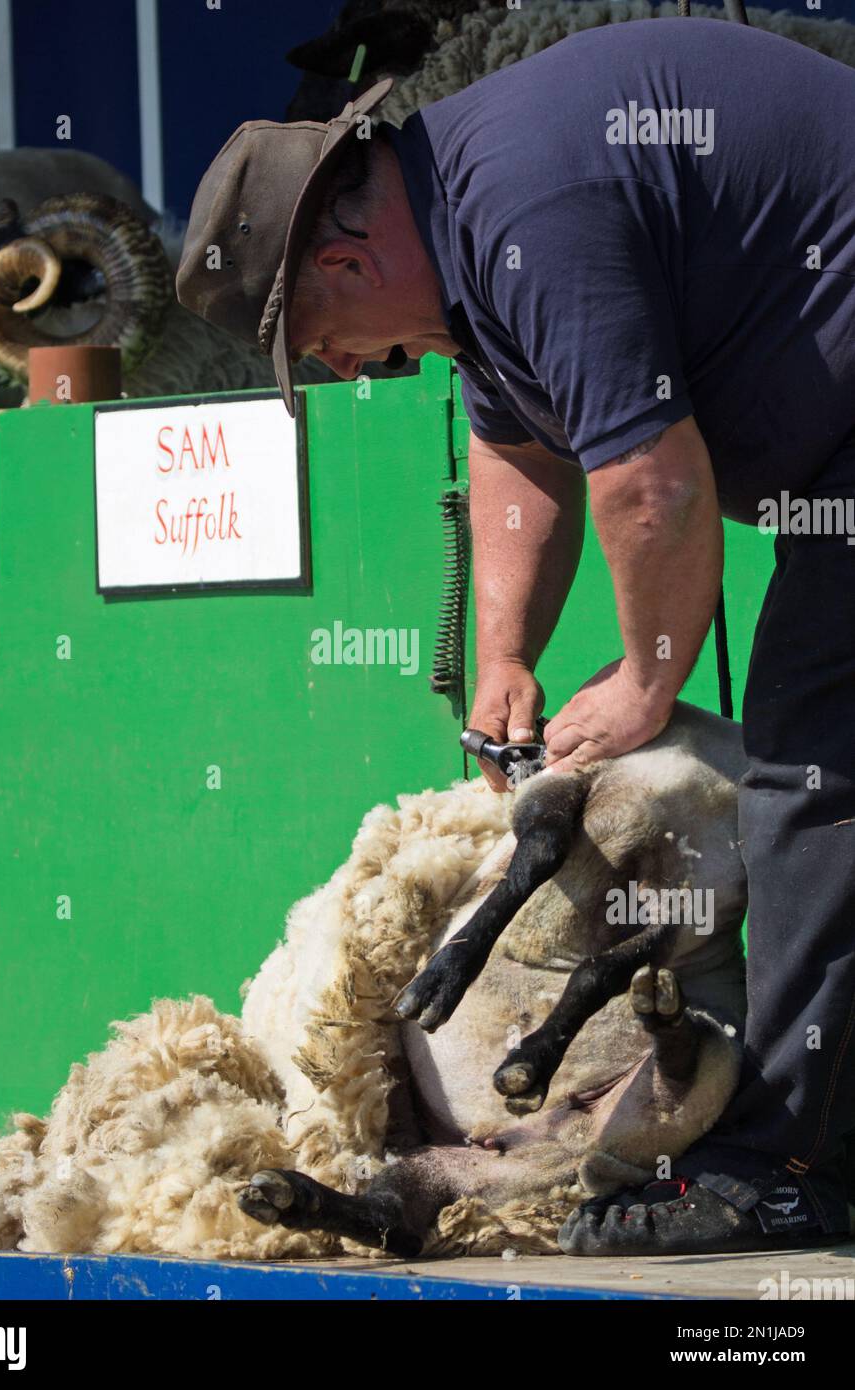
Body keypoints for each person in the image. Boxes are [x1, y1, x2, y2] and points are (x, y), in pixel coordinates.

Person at [174, 16, 855, 1254]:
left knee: (813, 771)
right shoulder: (467, 234)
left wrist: (645, 684)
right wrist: (504, 658)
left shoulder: (524, 212)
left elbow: (650, 486)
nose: (331, 367)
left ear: (341, 245)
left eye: (309, 338)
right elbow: (517, 447)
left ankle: (784, 1164)